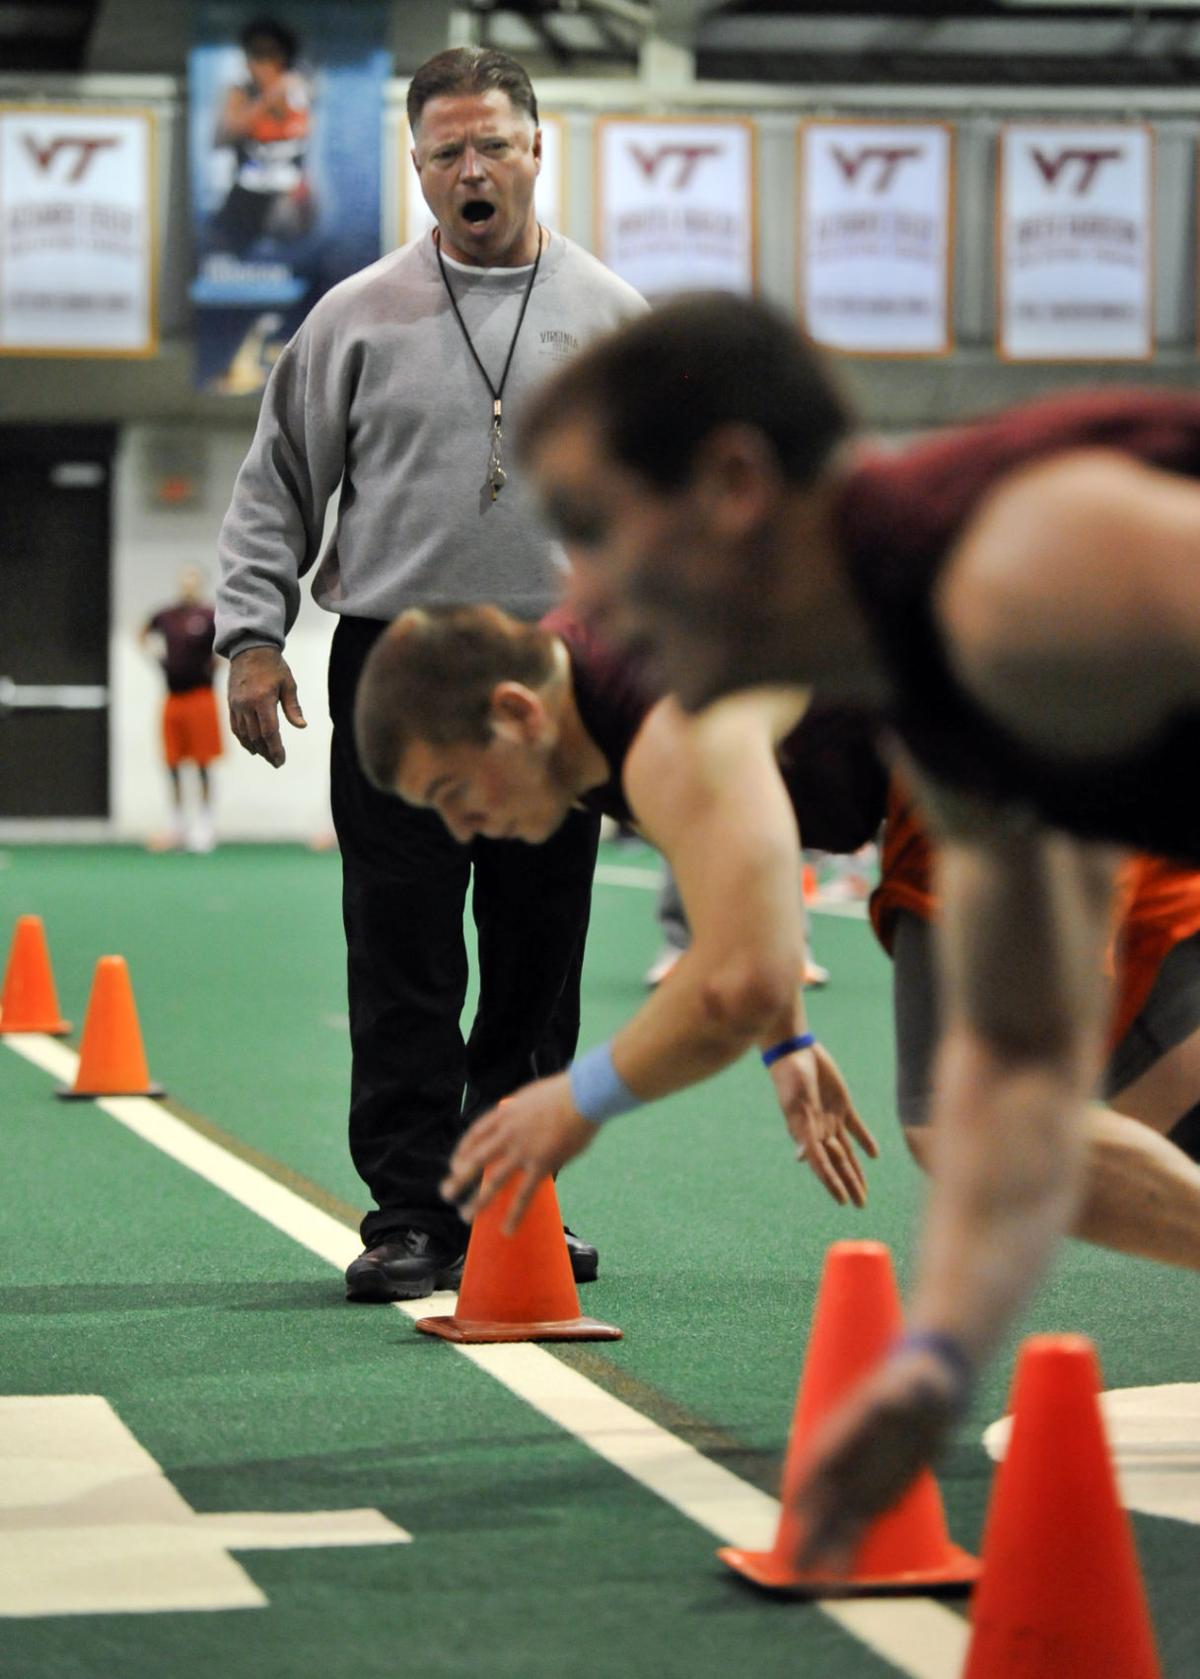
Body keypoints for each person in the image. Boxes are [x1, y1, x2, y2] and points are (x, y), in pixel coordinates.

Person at [515, 290, 1200, 1568]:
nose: (582, 594)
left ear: (731, 481)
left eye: (590, 528)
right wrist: (934, 1356)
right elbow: (1018, 1067)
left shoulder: (1022, 572)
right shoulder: (939, 696)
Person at [215, 47, 645, 1303]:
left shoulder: (613, 318)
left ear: (536, 148)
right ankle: (410, 1210)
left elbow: (665, 507)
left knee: (537, 951)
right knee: (398, 946)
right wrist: (250, 635)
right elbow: (275, 488)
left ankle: (516, 1196)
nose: (471, 169)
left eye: (492, 145)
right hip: (391, 666)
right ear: (415, 166)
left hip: (555, 674)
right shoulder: (353, 315)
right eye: (446, 151)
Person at [352, 601, 883, 1226]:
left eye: (454, 792)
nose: (459, 829)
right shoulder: (575, 713)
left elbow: (745, 975)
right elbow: (731, 882)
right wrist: (786, 1039)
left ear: (516, 712)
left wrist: (579, 1098)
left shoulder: (661, 723)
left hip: (976, 748)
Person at [873, 779, 1200, 1264]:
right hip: (1112, 783)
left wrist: (784, 1040)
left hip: (988, 776)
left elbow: (744, 982)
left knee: (964, 1115)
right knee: (1180, 1087)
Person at [208, 18, 314, 259]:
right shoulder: (240, 93)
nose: (260, 64)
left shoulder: (301, 90)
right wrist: (267, 98)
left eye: (269, 55)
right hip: (247, 193)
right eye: (254, 55)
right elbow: (223, 135)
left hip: (287, 195)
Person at [140, 567, 222, 853]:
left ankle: (204, 823)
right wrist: (156, 657)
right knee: (172, 761)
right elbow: (142, 633)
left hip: (201, 696)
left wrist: (216, 664)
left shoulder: (210, 615)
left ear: (199, 585)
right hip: (173, 697)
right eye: (183, 582)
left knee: (202, 762)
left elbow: (225, 645)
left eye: (193, 582)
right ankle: (176, 822)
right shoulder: (166, 616)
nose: (187, 587)